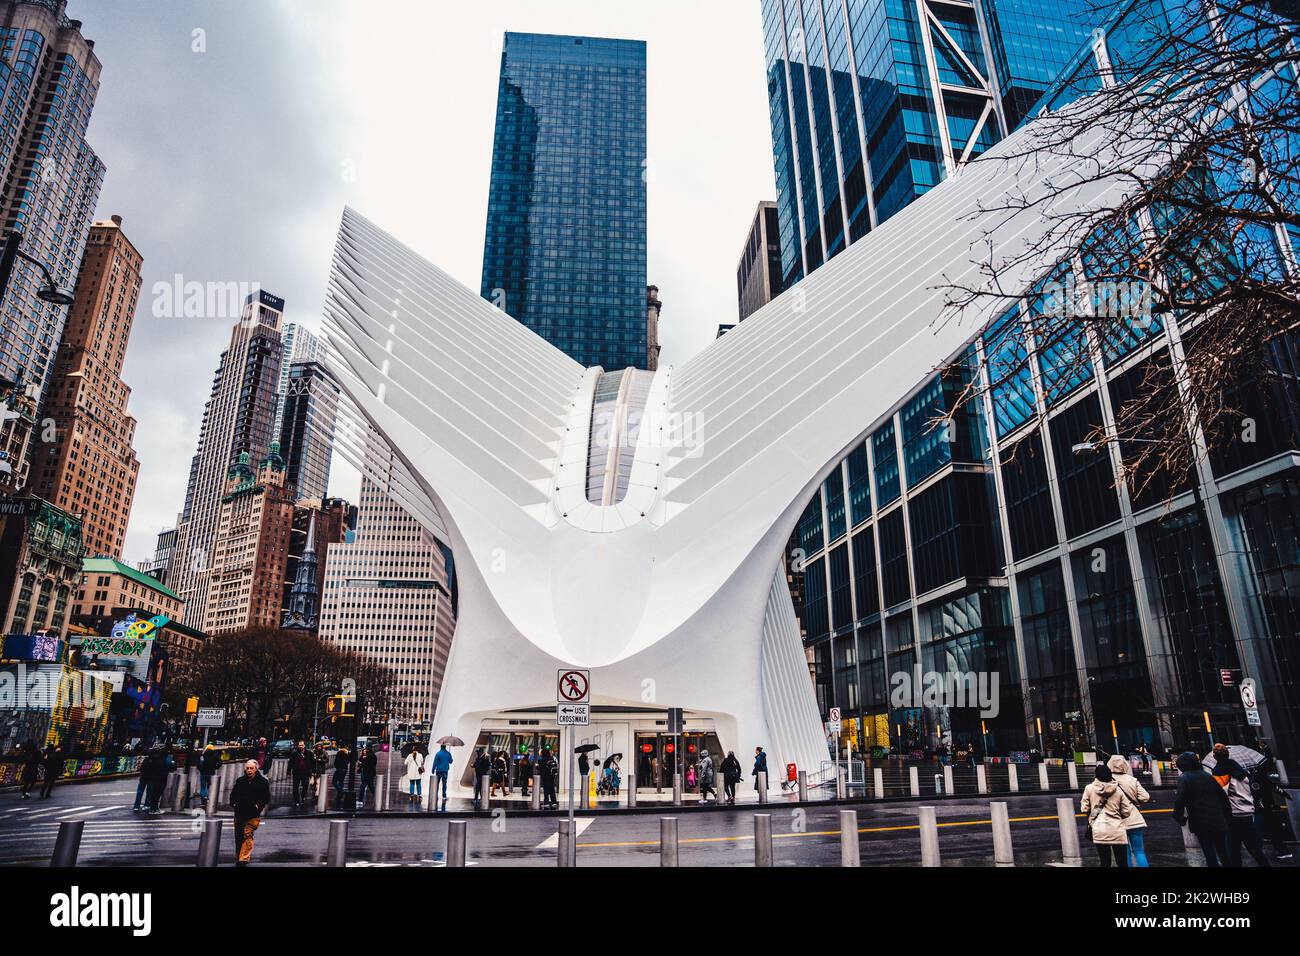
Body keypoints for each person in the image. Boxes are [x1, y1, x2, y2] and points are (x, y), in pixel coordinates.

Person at [1210, 744, 1270, 867]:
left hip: (1233, 814)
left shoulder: (1220, 771)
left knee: (1233, 848)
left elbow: (1220, 794)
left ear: (1215, 756)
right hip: (1247, 812)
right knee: (1253, 847)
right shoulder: (1239, 769)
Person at [1173, 751, 1232, 867]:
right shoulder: (1207, 776)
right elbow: (1223, 798)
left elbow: (1180, 800)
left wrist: (1179, 817)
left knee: (1209, 853)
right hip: (1217, 819)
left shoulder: (1184, 778)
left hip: (1200, 821)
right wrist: (1227, 817)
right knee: (1224, 852)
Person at [1080, 763, 1134, 867]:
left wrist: (1091, 817)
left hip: (1099, 829)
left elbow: (1084, 808)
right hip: (1117, 829)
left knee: (1104, 862)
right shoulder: (1118, 790)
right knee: (1122, 862)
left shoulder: (1089, 788)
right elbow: (1127, 810)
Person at [1251, 742, 1294, 860]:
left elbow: (1256, 791)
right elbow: (1274, 787)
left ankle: (1259, 851)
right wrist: (1285, 794)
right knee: (1267, 829)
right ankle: (1277, 849)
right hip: (1267, 805)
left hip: (1263, 807)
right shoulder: (1262, 777)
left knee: (1260, 829)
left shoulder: (1256, 778)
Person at [1107, 754, 1151, 867]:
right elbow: (1145, 797)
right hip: (1135, 818)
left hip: (1117, 820)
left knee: (1124, 853)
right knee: (1139, 851)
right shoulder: (1132, 779)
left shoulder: (1107, 781)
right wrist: (1136, 802)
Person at [228, 759, 271, 866]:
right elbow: (233, 795)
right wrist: (234, 804)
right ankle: (239, 856)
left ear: (256, 769)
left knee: (247, 835)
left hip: (252, 815)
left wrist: (258, 807)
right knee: (238, 837)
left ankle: (244, 858)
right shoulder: (240, 780)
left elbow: (266, 798)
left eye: (251, 768)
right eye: (247, 768)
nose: (249, 770)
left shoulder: (262, 782)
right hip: (239, 813)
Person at [288, 741, 312, 807]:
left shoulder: (309, 753)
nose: (300, 746)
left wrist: (312, 772)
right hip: (296, 772)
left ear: (304, 745)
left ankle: (303, 796)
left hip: (305, 772)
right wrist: (288, 772)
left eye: (302, 745)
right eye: (299, 745)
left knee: (305, 786)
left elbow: (312, 763)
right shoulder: (294, 754)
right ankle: (297, 801)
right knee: (295, 787)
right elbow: (290, 763)